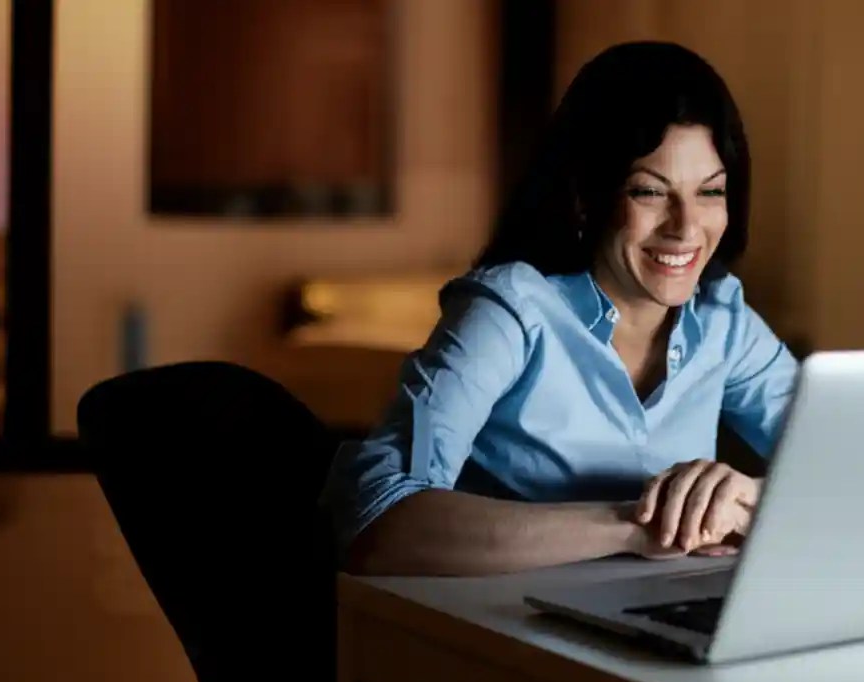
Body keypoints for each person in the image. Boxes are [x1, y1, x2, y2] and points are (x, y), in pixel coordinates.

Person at [322, 41, 797, 576]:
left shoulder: (722, 322)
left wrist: (750, 500)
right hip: (501, 632)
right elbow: (377, 519)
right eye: (650, 191)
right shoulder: (511, 312)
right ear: (585, 196)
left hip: (654, 623)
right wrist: (638, 523)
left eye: (710, 193)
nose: (687, 228)